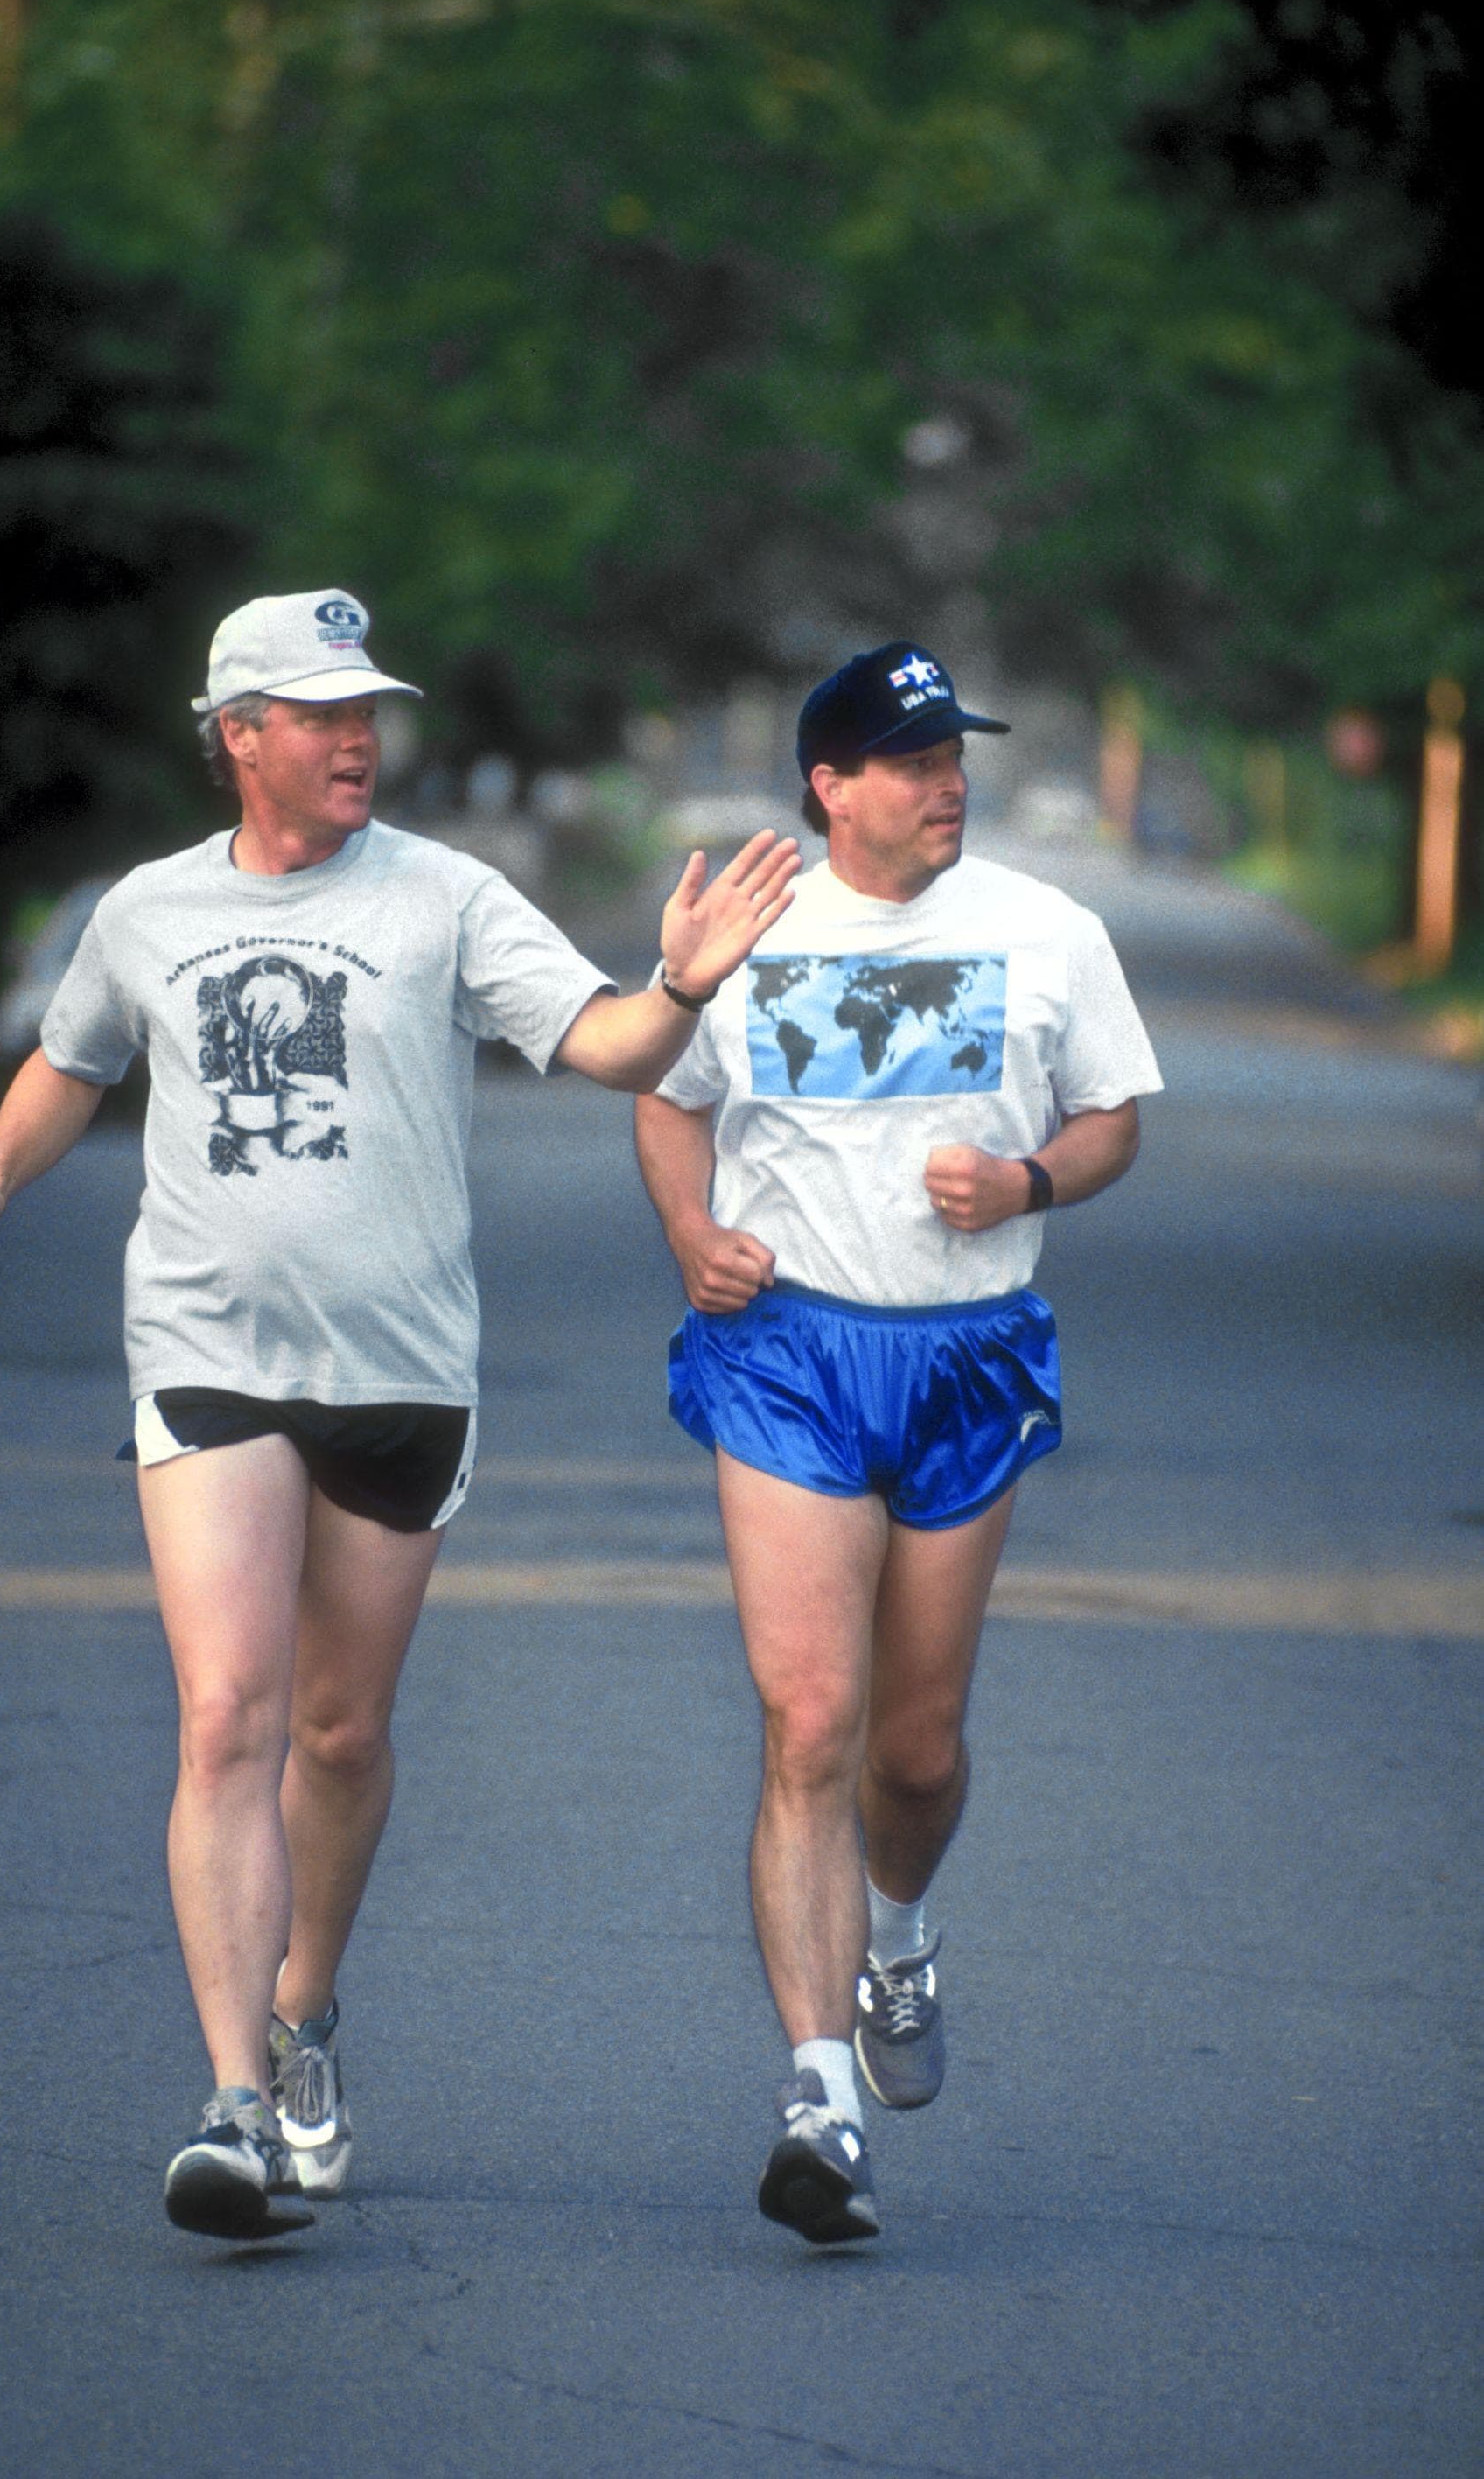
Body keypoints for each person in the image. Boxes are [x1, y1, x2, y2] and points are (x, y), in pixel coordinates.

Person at [0, 588, 799, 2242]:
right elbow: (73, 1061)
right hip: (206, 1351)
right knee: (225, 1714)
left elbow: (610, 1044)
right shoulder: (149, 909)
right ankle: (232, 2103)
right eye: (320, 714)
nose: (356, 739)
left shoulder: (443, 894)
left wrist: (680, 985)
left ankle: (304, 2005)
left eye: (365, 711)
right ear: (237, 733)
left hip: (399, 1368)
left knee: (336, 1731)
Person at [634, 641, 1161, 2244]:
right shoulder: (757, 929)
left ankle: (900, 1931)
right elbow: (663, 1091)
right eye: (914, 760)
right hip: (787, 1349)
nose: (948, 783)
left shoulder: (1046, 930)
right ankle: (817, 2095)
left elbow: (1113, 1116)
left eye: (955, 757)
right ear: (830, 785)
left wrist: (1029, 1182)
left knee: (912, 1750)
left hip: (964, 1354)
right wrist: (689, 1232)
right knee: (810, 1720)